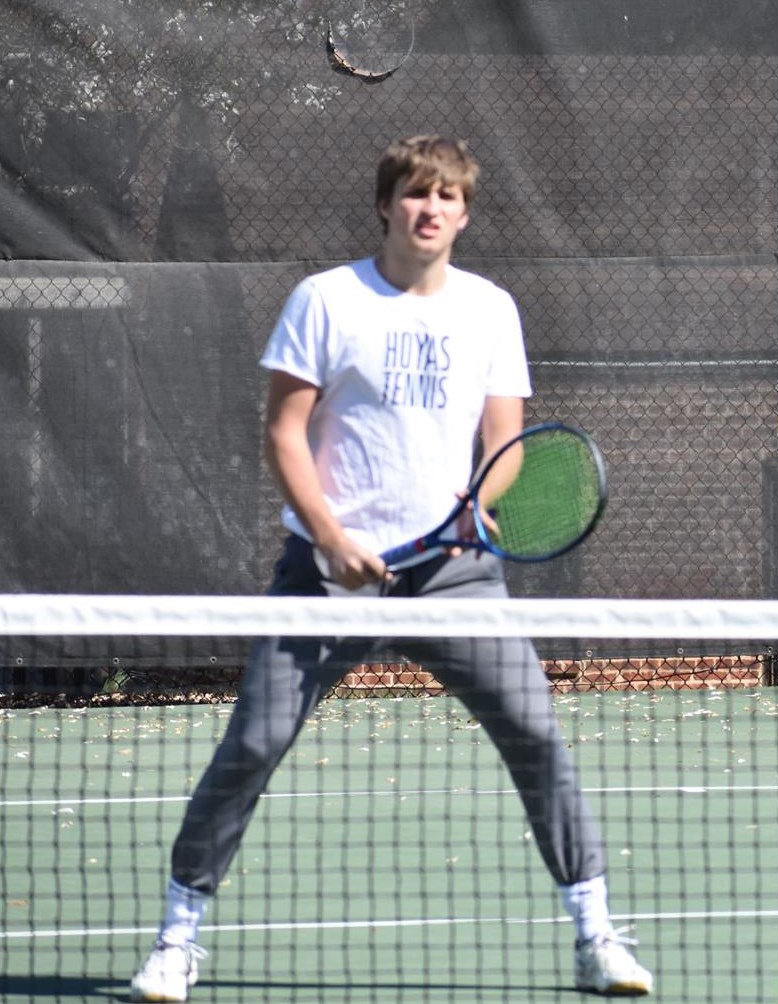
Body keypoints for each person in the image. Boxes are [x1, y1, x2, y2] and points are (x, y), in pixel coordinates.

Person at [130, 136, 652, 1001]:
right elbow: (283, 432)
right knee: (253, 742)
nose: (430, 209)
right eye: (415, 193)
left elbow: (505, 443)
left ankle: (596, 936)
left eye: (447, 197)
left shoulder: (490, 309)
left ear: (465, 214)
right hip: (326, 576)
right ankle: (175, 940)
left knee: (535, 735)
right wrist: (332, 538)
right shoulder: (325, 300)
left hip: (454, 578)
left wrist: (477, 508)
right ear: (386, 205)